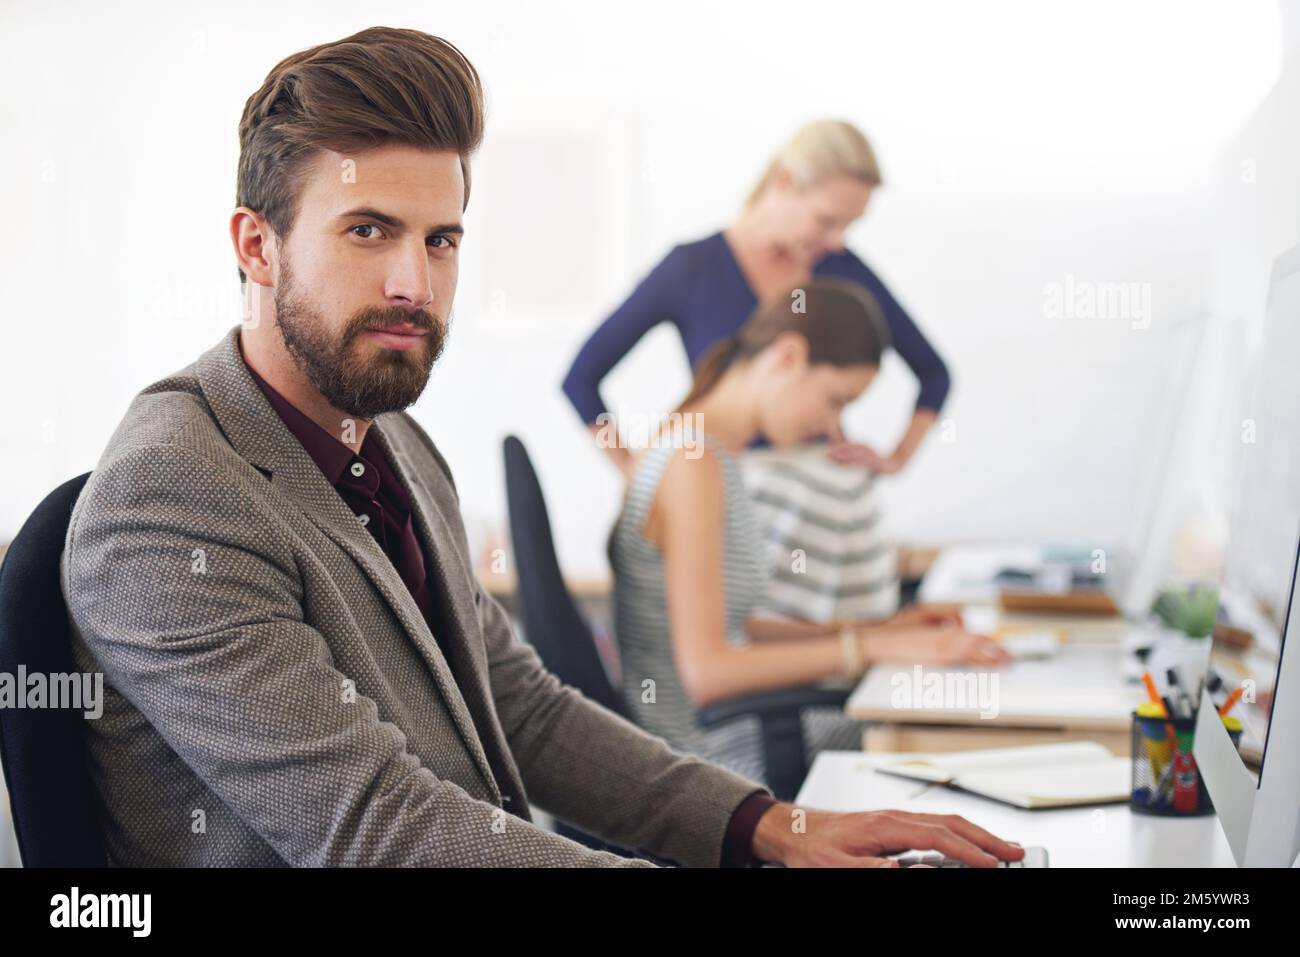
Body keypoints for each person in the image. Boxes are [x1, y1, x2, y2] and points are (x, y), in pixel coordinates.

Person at [61, 27, 1021, 868]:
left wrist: (774, 826)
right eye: (368, 230)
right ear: (256, 247)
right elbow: (369, 829)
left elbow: (523, 710)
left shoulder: (393, 438)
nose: (414, 283)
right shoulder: (171, 496)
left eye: (441, 241)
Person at [610, 279, 1009, 785]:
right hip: (707, 756)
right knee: (952, 737)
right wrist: (868, 651)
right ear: (789, 355)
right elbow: (708, 672)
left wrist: (881, 631)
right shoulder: (693, 462)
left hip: (727, 731)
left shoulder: (698, 451)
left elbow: (734, 625)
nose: (834, 426)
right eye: (835, 400)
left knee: (942, 724)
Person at [562, 118, 950, 482]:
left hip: (820, 487)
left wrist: (896, 460)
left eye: (849, 225)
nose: (836, 241)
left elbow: (934, 372)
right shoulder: (691, 269)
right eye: (826, 220)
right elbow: (581, 378)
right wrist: (635, 476)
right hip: (727, 486)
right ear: (784, 182)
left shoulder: (843, 270)